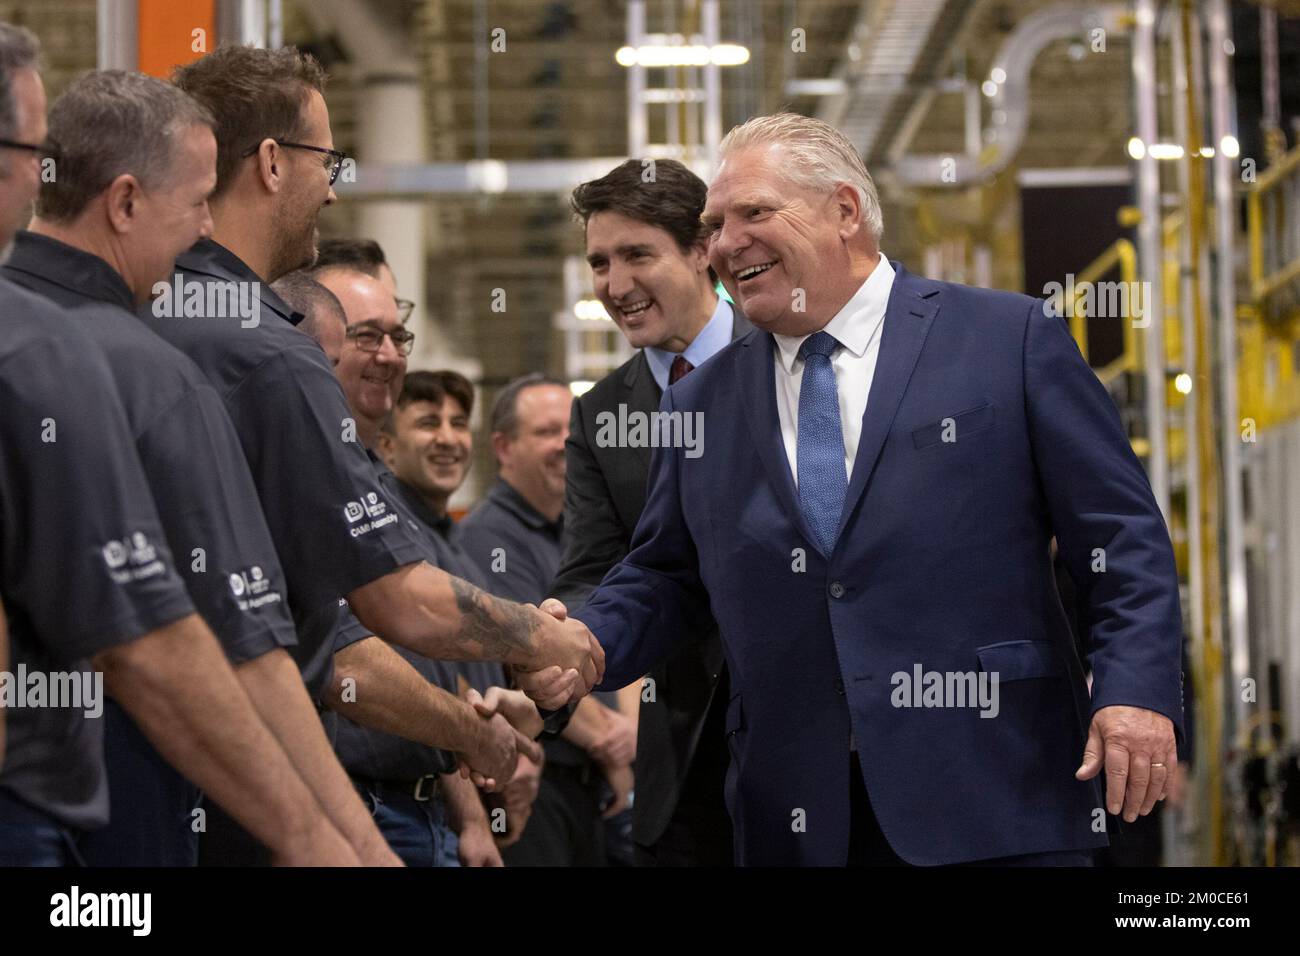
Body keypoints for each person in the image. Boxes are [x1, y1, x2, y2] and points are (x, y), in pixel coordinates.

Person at [519, 113, 1185, 866]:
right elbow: (666, 572)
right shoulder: (699, 403)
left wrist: (1136, 691)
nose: (725, 242)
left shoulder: (1009, 339)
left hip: (1000, 789)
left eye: (754, 213)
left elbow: (1121, 537)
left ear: (844, 211)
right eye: (715, 224)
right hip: (798, 812)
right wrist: (587, 641)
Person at [135, 43, 600, 741]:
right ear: (270, 162)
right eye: (327, 162)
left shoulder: (147, 310)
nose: (332, 189)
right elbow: (401, 602)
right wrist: (545, 639)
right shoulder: (269, 355)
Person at [0, 23, 356, 867]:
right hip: (84, 821)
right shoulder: (95, 359)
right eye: (197, 201)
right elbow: (162, 644)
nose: (205, 228)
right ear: (124, 202)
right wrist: (323, 840)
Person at [301, 262, 538, 866]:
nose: (388, 355)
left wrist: (470, 818)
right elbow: (346, 660)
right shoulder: (307, 471)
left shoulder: (383, 494)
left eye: (397, 337)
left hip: (427, 809)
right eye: (365, 336)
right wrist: (541, 643)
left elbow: (429, 675)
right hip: (356, 808)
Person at [555, 158, 746, 866]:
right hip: (681, 768)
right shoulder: (601, 414)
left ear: (702, 249)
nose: (614, 285)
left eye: (638, 254)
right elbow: (592, 571)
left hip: (811, 749)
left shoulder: (791, 358)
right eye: (600, 262)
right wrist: (563, 642)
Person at [457, 375, 632, 866]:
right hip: (539, 782)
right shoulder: (488, 539)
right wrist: (612, 744)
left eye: (570, 432)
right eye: (545, 432)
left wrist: (623, 741)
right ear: (503, 446)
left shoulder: (580, 531)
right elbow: (533, 664)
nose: (564, 445)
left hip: (589, 784)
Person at [378, 370, 547, 852]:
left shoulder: (460, 550)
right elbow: (420, 680)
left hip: (462, 798)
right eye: (429, 423)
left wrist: (519, 744)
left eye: (458, 423)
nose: (449, 438)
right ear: (387, 446)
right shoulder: (391, 543)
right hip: (405, 808)